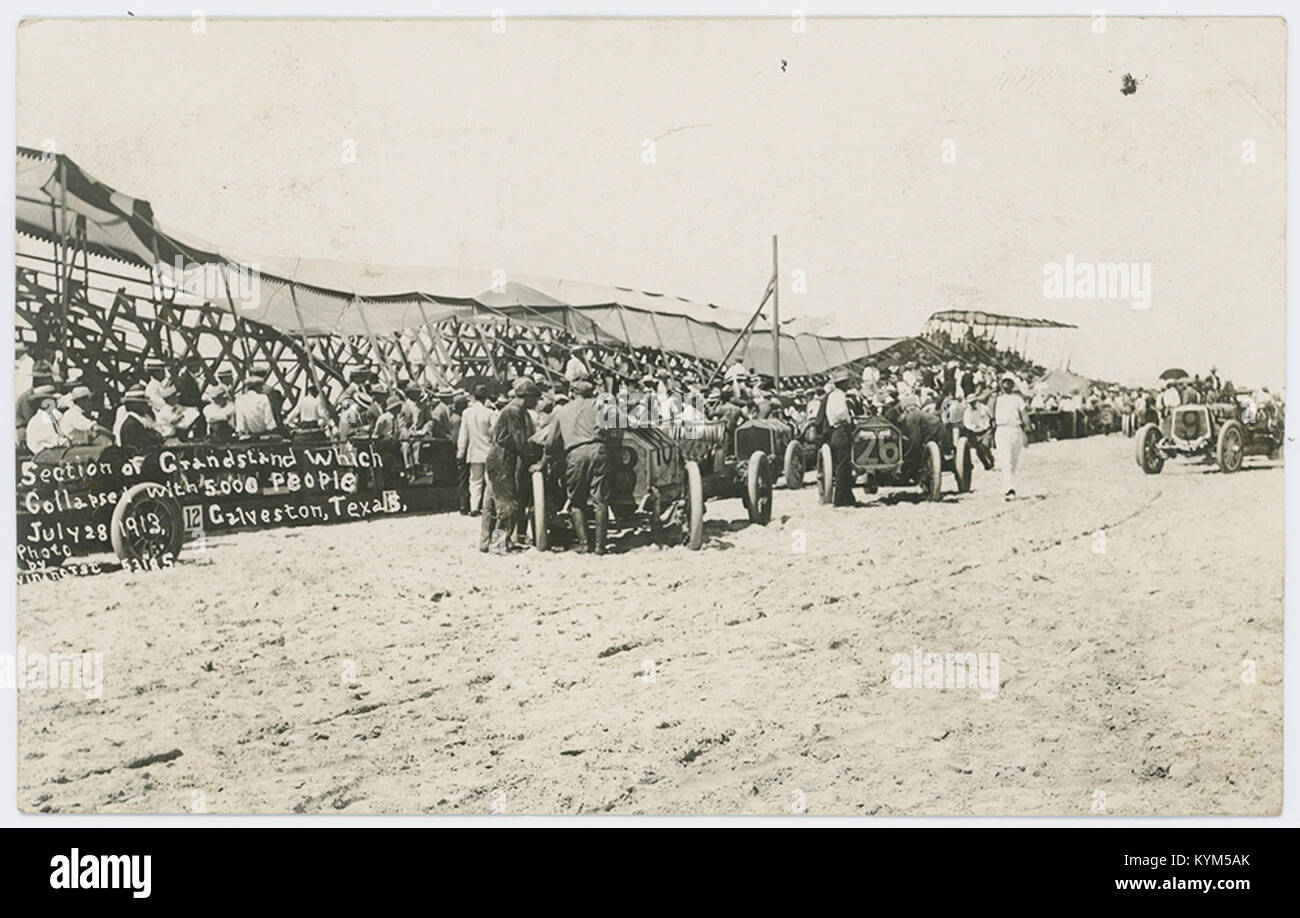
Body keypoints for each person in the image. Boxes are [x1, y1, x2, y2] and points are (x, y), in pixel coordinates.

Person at [547, 377, 616, 554]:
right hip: (599, 450)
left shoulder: (562, 411)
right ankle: (600, 546)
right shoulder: (599, 405)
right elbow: (612, 429)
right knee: (600, 500)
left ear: (572, 393)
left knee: (576, 501)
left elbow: (551, 442)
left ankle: (585, 545)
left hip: (575, 453)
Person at [480, 378, 540, 552]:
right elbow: (520, 441)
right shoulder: (514, 411)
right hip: (502, 458)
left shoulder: (510, 410)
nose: (536, 402)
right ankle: (498, 545)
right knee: (508, 506)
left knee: (491, 504)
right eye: (534, 398)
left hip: (497, 456)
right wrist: (533, 460)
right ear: (527, 397)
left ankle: (486, 542)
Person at [992, 372, 1032, 500]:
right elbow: (990, 414)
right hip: (1002, 429)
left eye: (1009, 382)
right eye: (1005, 382)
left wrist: (1027, 431)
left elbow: (1024, 415)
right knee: (1006, 461)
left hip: (1016, 430)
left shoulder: (1017, 399)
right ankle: (1009, 489)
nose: (1007, 384)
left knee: (1013, 462)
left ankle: (1008, 485)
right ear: (1001, 384)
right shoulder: (996, 399)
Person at [457, 386, 494, 516]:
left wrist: (461, 452)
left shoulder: (467, 413)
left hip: (474, 451)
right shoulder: (489, 413)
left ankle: (474, 508)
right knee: (490, 480)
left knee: (475, 481)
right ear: (485, 398)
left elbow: (464, 435)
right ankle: (490, 507)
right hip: (488, 450)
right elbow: (493, 433)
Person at [825, 367, 857, 506]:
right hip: (841, 431)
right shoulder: (838, 396)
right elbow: (841, 414)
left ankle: (848, 498)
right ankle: (839, 500)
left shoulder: (833, 396)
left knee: (844, 466)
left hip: (837, 431)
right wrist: (850, 421)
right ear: (842, 383)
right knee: (843, 467)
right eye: (846, 382)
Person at [235, 370, 279, 437]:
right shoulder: (263, 398)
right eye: (261, 386)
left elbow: (240, 420)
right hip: (263, 433)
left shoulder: (239, 399)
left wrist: (240, 431)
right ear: (257, 387)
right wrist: (272, 428)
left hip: (248, 435)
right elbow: (269, 419)